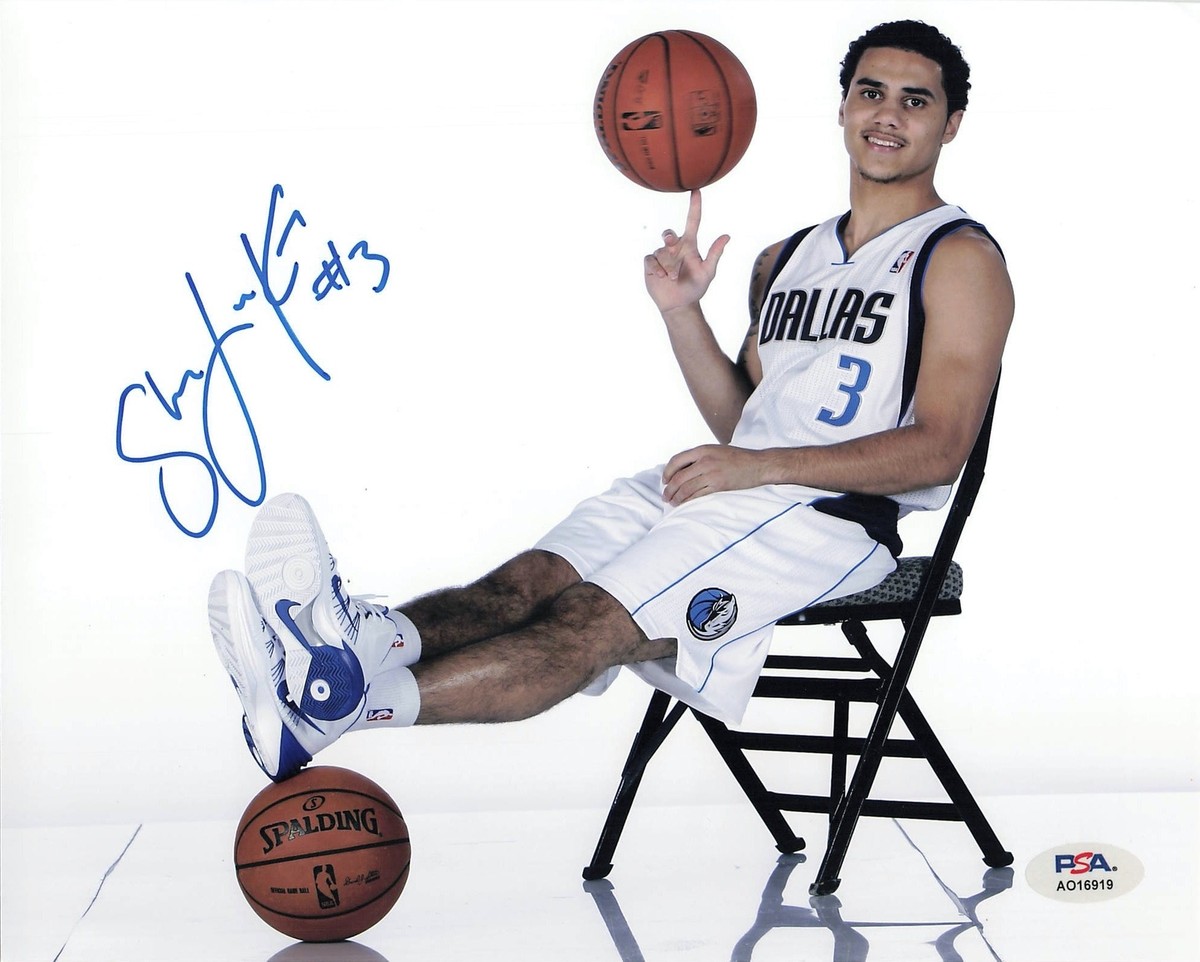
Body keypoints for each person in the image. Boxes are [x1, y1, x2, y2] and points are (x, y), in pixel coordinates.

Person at [208, 19, 1014, 782]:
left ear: (951, 125)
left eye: (916, 101)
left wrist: (758, 468)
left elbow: (941, 450)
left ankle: (334, 704)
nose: (887, 115)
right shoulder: (786, 257)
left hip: (828, 521)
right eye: (871, 92)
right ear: (843, 108)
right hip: (733, 485)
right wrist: (682, 313)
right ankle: (353, 644)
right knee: (525, 583)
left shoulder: (958, 258)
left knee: (588, 621)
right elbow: (743, 423)